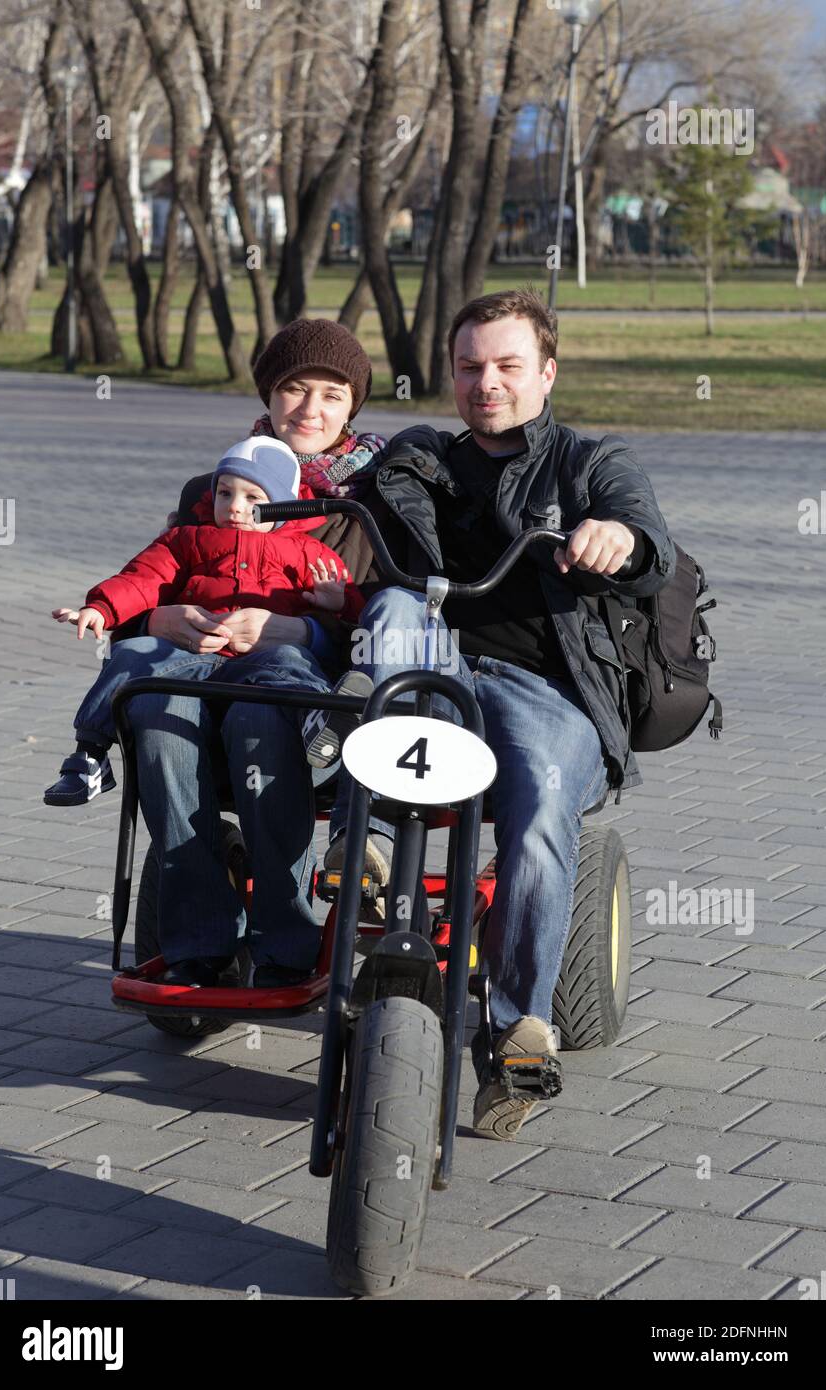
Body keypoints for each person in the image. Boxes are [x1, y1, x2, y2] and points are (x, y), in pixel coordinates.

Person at [313, 287, 675, 1140]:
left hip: (545, 688)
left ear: (545, 373)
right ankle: (363, 832)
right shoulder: (418, 458)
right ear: (451, 374)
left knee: (544, 802)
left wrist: (617, 539)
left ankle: (519, 1027)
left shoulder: (591, 462)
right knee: (398, 612)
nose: (488, 383)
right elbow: (334, 483)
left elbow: (644, 538)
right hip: (429, 671)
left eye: (509, 366)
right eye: (471, 367)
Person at [114, 320, 386, 990]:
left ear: (353, 405)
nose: (311, 409)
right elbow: (149, 579)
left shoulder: (371, 502)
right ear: (269, 395)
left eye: (331, 393)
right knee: (154, 714)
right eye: (295, 389)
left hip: (310, 699)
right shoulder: (217, 490)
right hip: (200, 673)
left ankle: (286, 941)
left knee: (258, 720)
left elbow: (385, 626)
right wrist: (159, 616)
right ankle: (201, 939)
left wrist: (301, 633)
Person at [44, 437, 365, 812]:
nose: (234, 507)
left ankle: (317, 718)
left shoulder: (307, 552)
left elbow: (357, 613)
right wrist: (101, 607)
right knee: (134, 651)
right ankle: (90, 754)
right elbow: (143, 578)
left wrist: (339, 603)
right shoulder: (187, 539)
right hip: (192, 658)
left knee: (291, 658)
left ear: (283, 505)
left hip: (259, 667)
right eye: (225, 493)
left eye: (253, 499)